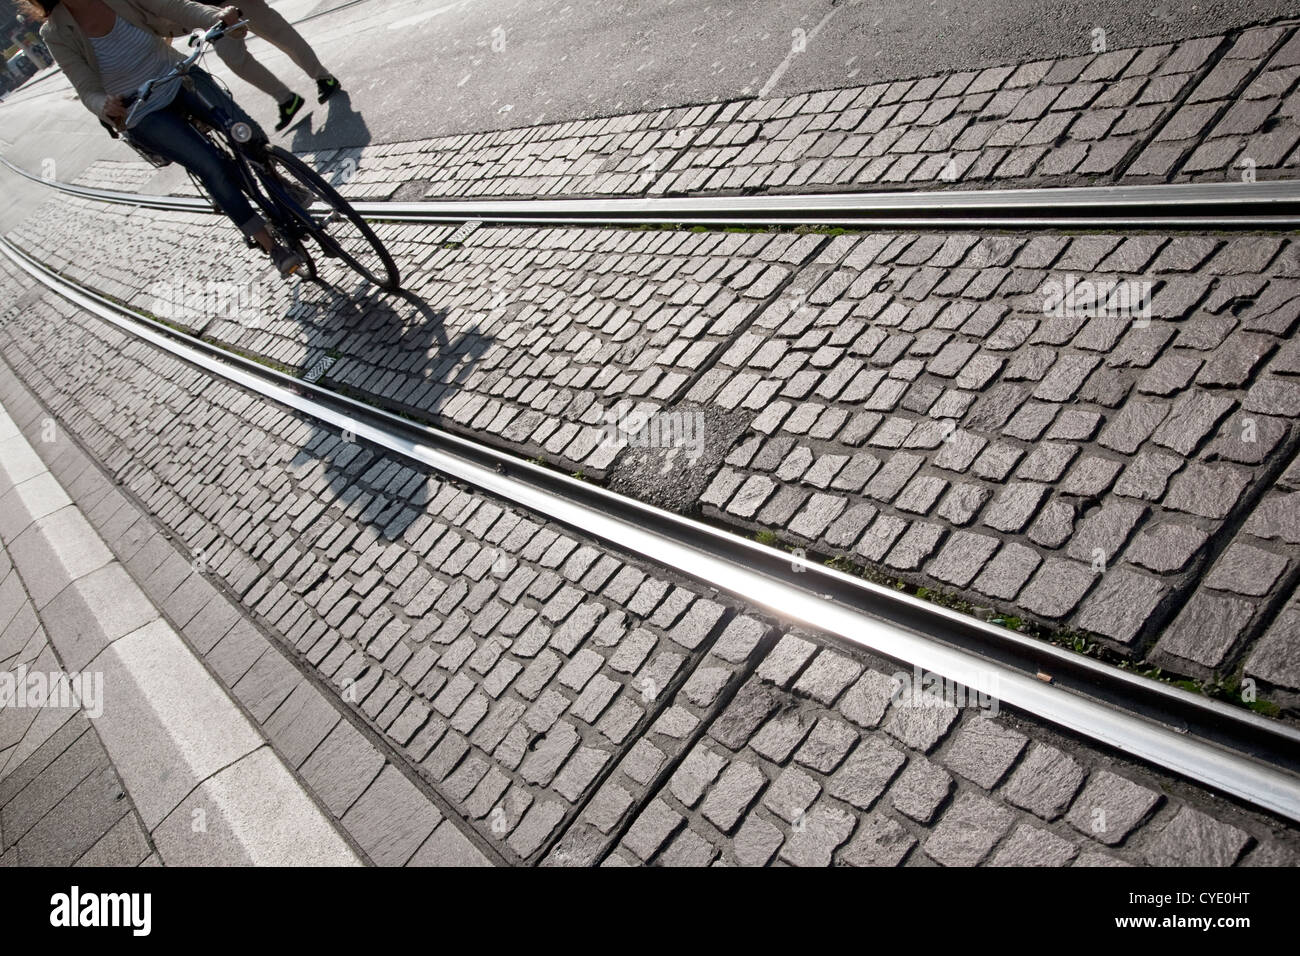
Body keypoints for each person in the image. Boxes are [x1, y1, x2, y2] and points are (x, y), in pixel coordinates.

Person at [21, 0, 305, 275]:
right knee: (210, 166)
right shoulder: (55, 32)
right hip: (139, 110)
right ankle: (270, 245)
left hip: (177, 76)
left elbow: (173, 6)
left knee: (244, 130)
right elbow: (85, 88)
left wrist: (214, 17)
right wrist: (103, 105)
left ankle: (278, 182)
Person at [197, 0, 342, 132]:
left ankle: (323, 77)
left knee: (280, 34)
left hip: (234, 3)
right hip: (208, 14)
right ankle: (287, 99)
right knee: (235, 60)